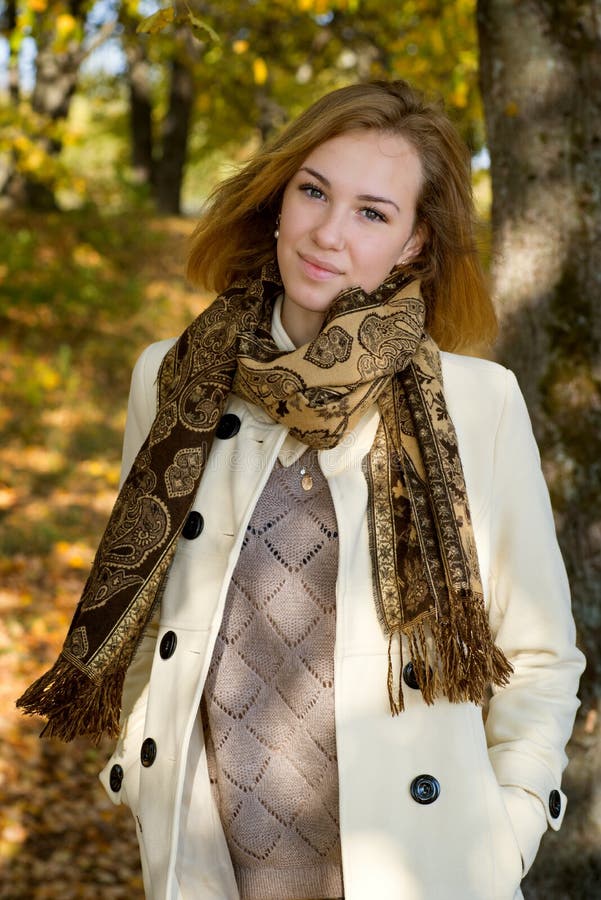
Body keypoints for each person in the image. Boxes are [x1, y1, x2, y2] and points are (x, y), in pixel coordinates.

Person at [18, 80, 584, 900]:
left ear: (415, 243)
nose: (326, 233)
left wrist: (511, 825)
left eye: (371, 212)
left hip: (416, 867)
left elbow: (538, 654)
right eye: (313, 192)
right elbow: (144, 611)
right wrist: (140, 770)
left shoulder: (477, 403)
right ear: (278, 200)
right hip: (212, 863)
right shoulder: (173, 378)